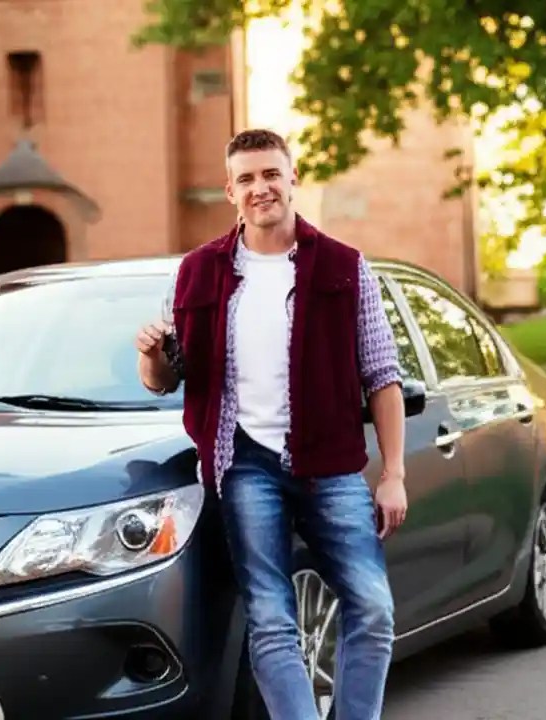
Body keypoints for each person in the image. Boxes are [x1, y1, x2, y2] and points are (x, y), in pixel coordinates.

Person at [135, 128, 408, 719]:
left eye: (271, 175)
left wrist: (394, 473)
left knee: (373, 608)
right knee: (270, 615)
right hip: (245, 465)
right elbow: (165, 379)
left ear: (292, 179)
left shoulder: (345, 266)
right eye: (247, 179)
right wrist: (151, 355)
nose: (261, 188)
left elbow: (382, 375)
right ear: (229, 191)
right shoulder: (198, 272)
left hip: (331, 462)